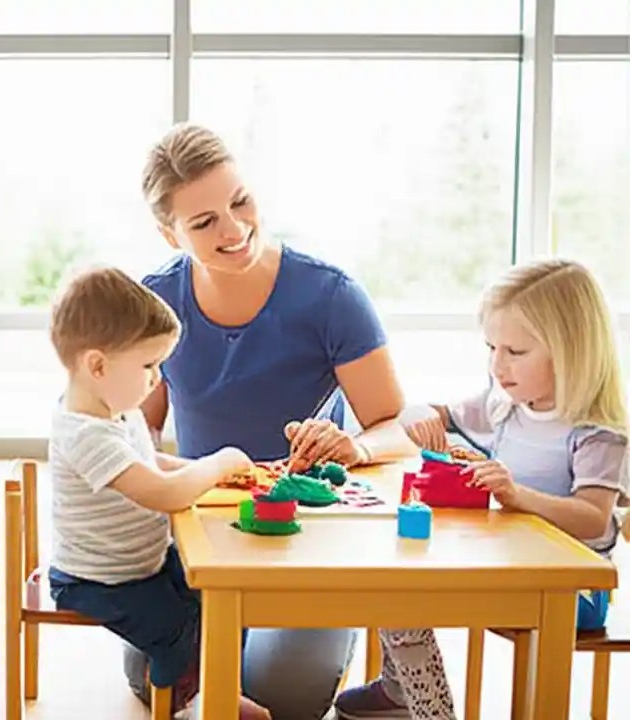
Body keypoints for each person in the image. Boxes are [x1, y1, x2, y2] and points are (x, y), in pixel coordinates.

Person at [131, 122, 414, 715]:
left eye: (240, 202)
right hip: (203, 529)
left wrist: (355, 447)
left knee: (281, 694)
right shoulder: (153, 303)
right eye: (204, 222)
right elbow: (137, 431)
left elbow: (394, 424)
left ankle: (332, 628)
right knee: (153, 675)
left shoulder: (330, 296)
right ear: (169, 233)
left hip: (310, 533)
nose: (234, 230)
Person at [334, 258, 628, 719]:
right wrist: (417, 417)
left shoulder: (596, 432)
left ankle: (423, 706)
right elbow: (426, 413)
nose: (497, 364)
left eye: (515, 351)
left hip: (573, 590)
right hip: (512, 565)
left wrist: (516, 495)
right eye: (491, 346)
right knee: (395, 585)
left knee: (407, 592)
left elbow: (592, 518)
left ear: (571, 351)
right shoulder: (502, 405)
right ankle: (403, 694)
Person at [45, 266, 271, 718]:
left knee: (220, 597)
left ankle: (218, 689)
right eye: (148, 365)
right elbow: (164, 494)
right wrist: (219, 461)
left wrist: (210, 474)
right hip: (98, 581)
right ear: (97, 365)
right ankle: (182, 704)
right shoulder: (86, 434)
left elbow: (150, 464)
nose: (156, 378)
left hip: (139, 564)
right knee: (176, 629)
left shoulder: (118, 412)